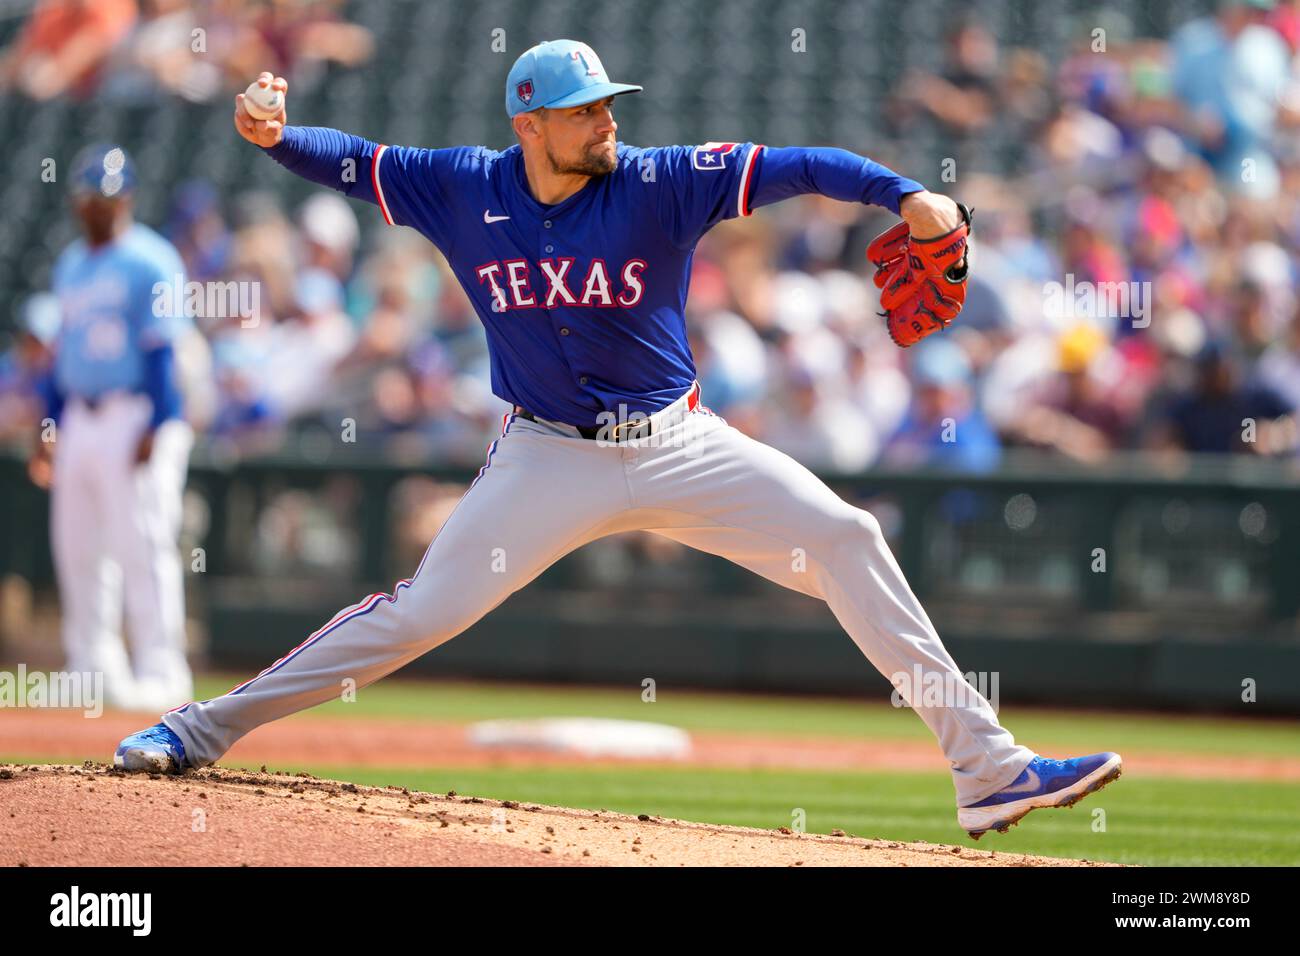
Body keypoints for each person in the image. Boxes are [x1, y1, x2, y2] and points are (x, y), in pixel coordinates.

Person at [116, 40, 1121, 839]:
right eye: (587, 107)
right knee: (419, 613)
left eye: (609, 104)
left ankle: (987, 769)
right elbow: (354, 163)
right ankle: (200, 727)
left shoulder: (657, 180)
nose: (608, 120)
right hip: (545, 455)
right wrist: (272, 135)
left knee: (848, 535)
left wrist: (907, 194)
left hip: (682, 442)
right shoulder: (465, 185)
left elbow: (801, 164)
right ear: (531, 120)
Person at [30, 144, 195, 713]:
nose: (92, 208)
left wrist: (159, 419)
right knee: (77, 546)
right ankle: (89, 668)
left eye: (102, 197)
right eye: (85, 197)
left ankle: (162, 669)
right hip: (81, 414)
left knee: (143, 544)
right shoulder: (72, 263)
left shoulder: (153, 258)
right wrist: (48, 429)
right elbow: (57, 359)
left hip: (135, 412)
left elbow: (163, 351)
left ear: (124, 198)